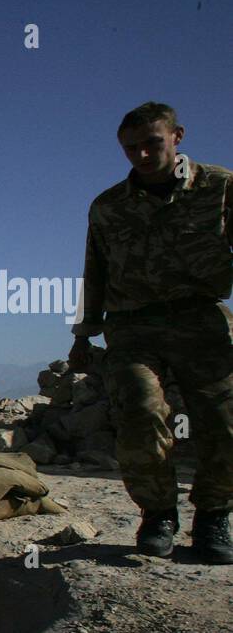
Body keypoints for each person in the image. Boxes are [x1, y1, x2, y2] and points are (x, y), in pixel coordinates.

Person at [69, 101, 233, 564]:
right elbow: (94, 271)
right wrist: (83, 334)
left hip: (202, 321)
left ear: (177, 136)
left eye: (152, 143)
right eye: (130, 148)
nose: (141, 155)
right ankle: (158, 514)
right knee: (140, 413)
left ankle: (214, 515)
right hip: (133, 326)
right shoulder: (108, 207)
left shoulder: (220, 187)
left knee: (224, 422)